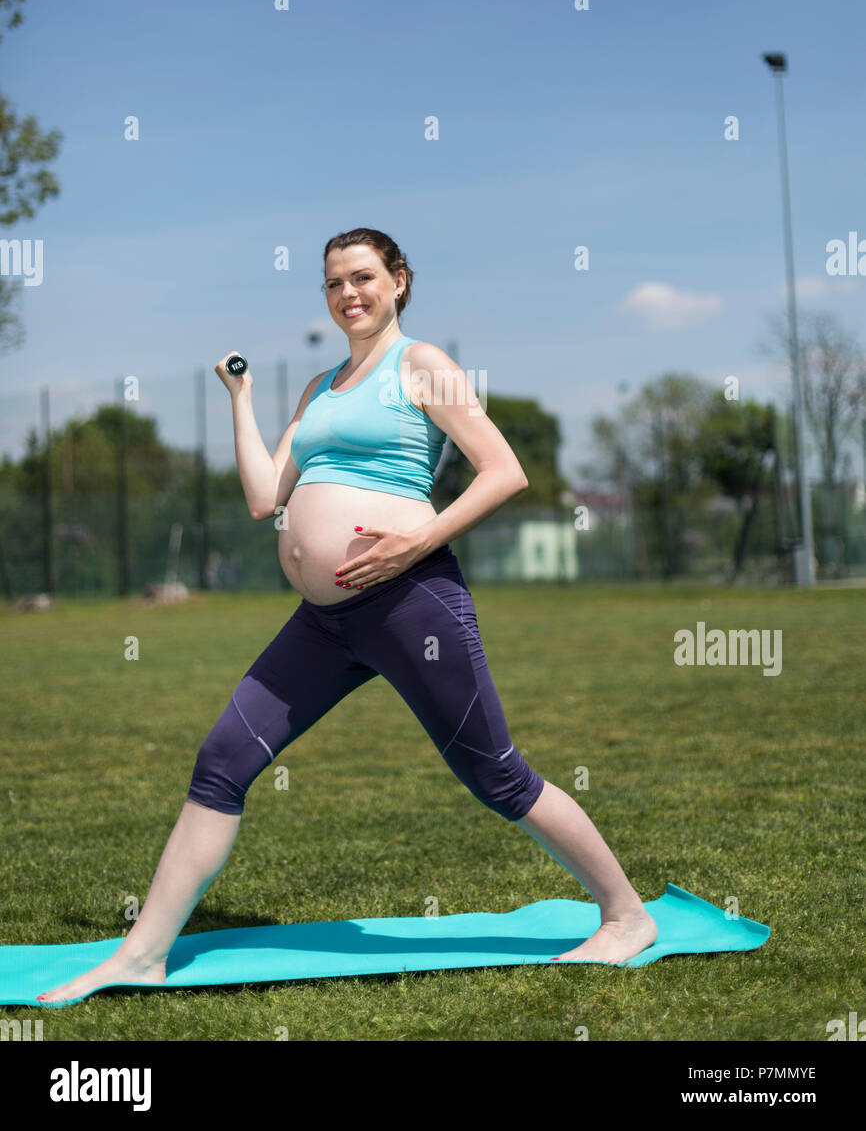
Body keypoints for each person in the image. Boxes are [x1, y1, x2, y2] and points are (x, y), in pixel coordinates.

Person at [38, 227, 656, 1004]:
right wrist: (242, 400)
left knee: (494, 774)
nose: (347, 295)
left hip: (410, 602)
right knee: (222, 759)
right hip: (324, 622)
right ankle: (143, 954)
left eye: (362, 277)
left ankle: (626, 915)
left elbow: (506, 471)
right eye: (333, 284)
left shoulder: (421, 364)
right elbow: (267, 497)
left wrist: (417, 540)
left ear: (398, 280)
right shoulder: (321, 388)